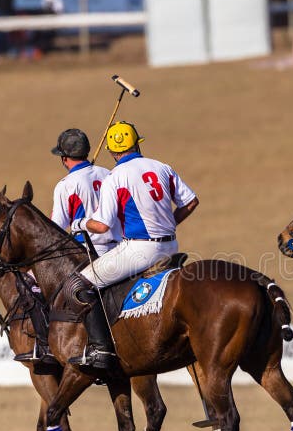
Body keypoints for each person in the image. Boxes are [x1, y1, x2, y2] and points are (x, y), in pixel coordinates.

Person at [67, 121, 199, 371]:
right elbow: (191, 202)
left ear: (112, 151)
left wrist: (79, 223)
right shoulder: (162, 167)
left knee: (80, 284)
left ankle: (100, 349)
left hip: (139, 251)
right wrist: (170, 222)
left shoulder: (115, 177)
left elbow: (103, 226)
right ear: (138, 143)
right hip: (171, 247)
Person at [49, 128, 119, 256]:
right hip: (120, 249)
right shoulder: (108, 173)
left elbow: (56, 228)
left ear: (64, 158)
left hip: (88, 252)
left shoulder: (65, 185)